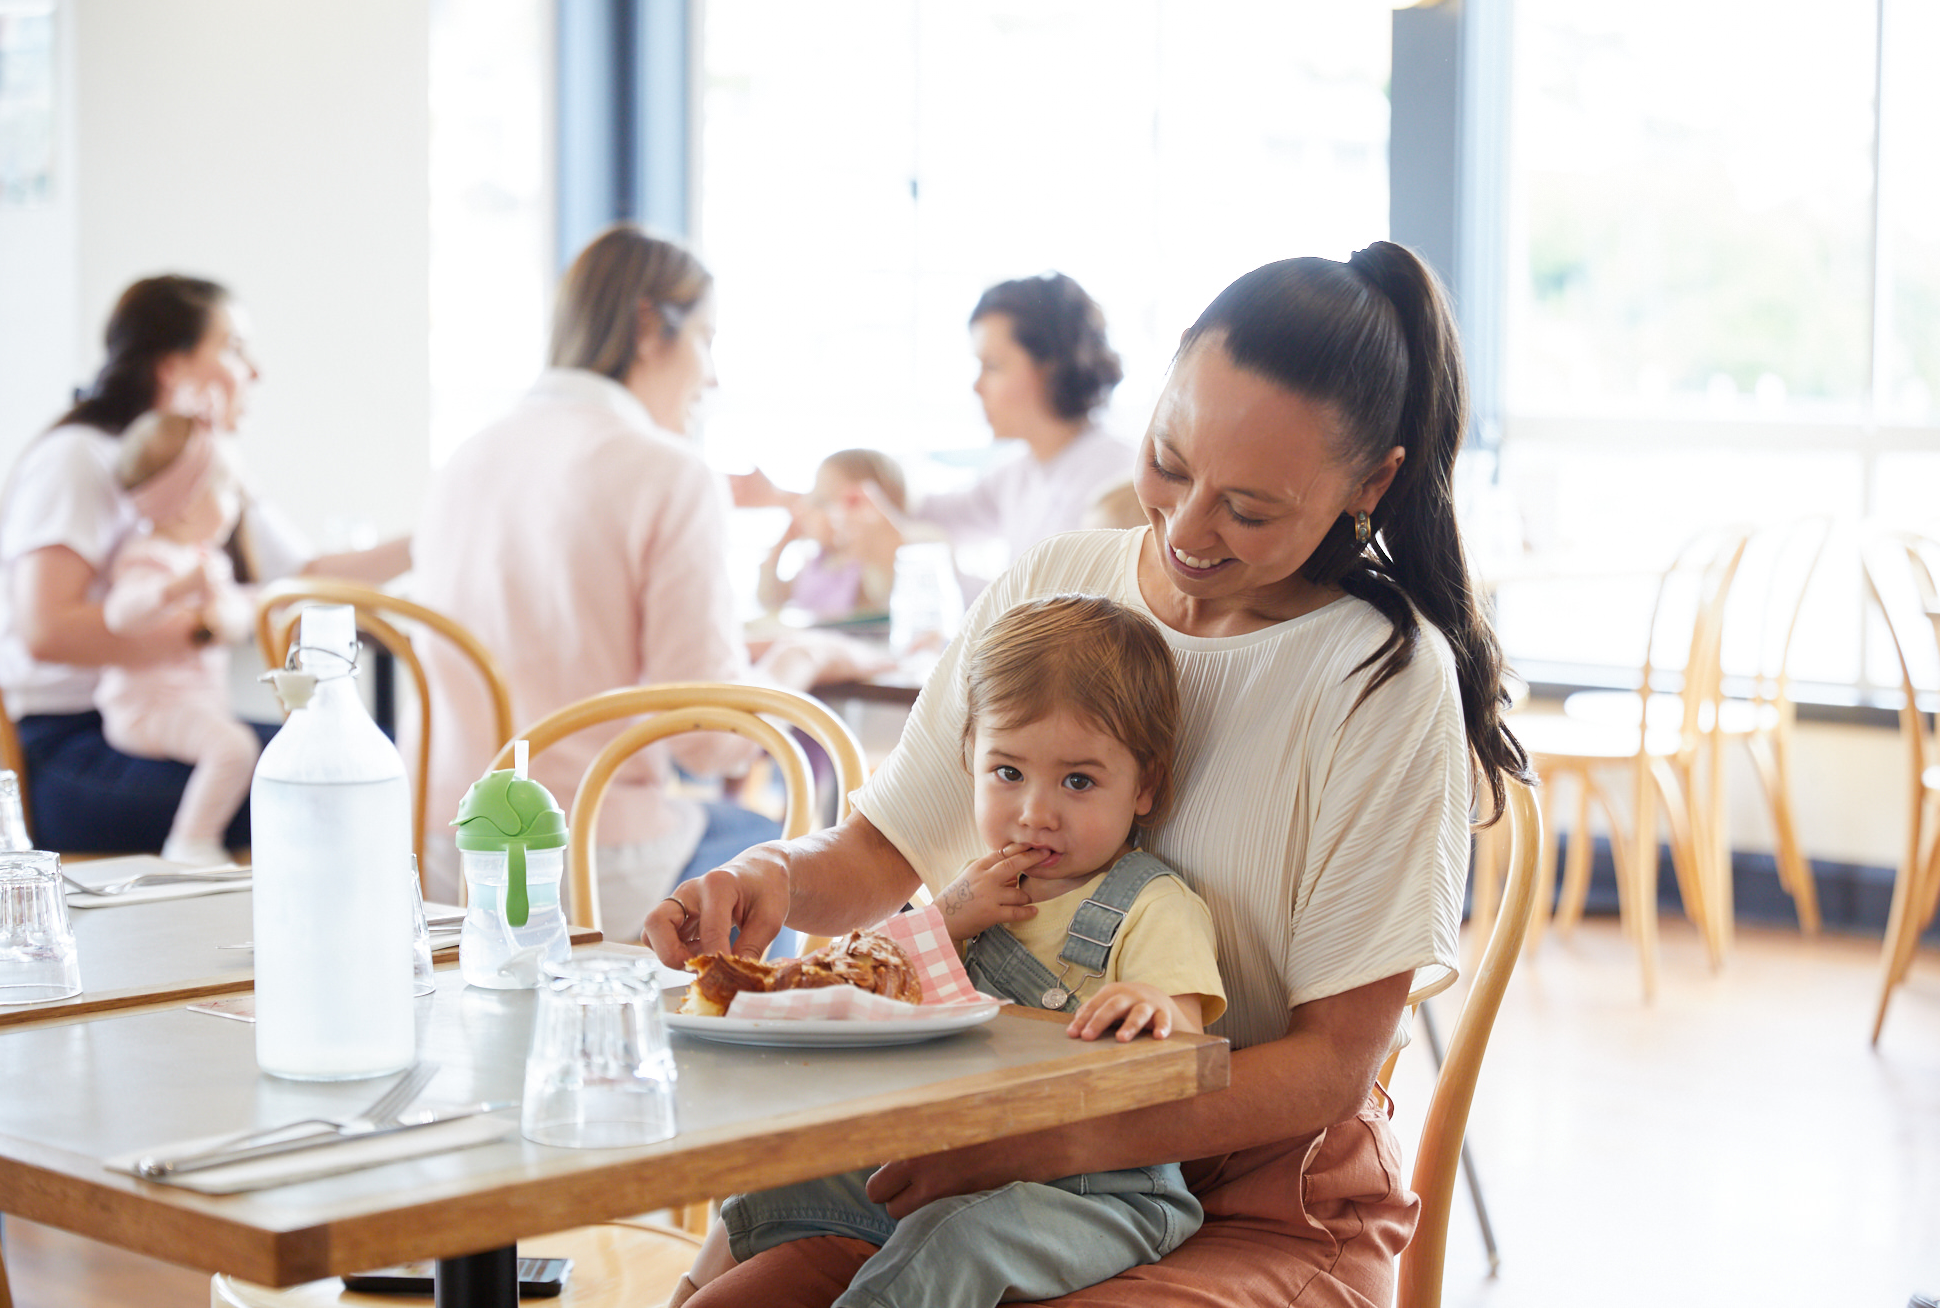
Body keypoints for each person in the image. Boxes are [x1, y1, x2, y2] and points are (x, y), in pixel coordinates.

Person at [648, 241, 1528, 1307]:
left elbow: (1331, 1063)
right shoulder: (1059, 582)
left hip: (1260, 1196)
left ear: (1369, 482)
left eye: (1248, 510)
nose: (1188, 526)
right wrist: (775, 879)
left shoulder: (1378, 679)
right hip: (984, 1146)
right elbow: (883, 849)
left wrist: (1035, 1142)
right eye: (1167, 460)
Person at [672, 595, 1227, 1308]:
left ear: (1144, 785)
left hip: (1104, 1193)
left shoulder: (1152, 904)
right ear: (969, 759)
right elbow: (885, 982)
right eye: (1007, 772)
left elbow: (1182, 1044)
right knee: (783, 1169)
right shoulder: (974, 890)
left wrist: (1150, 1005)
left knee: (949, 1240)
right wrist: (948, 917)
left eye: (1078, 781)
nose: (1035, 811)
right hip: (959, 1162)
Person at [414, 225, 780, 937]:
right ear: (650, 327)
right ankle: (740, 1048)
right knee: (782, 856)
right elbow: (707, 743)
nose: (712, 376)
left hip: (444, 850)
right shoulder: (669, 471)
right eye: (706, 338)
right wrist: (798, 665)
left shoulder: (466, 457)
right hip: (582, 852)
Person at [0, 275, 409, 854]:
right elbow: (45, 631)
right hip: (67, 746)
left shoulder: (204, 468)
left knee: (363, 757)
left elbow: (305, 570)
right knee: (333, 785)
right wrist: (207, 627)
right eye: (234, 348)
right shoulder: (80, 458)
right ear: (172, 369)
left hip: (147, 731)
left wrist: (432, 540)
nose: (254, 372)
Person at [733, 273, 1133, 590]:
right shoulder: (1021, 471)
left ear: (1053, 367)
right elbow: (911, 505)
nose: (977, 387)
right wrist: (783, 496)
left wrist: (908, 561)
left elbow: (1043, 616)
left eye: (992, 366)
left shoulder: (1114, 479)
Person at [96, 411, 259, 866]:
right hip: (146, 710)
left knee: (239, 740)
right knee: (235, 747)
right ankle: (190, 843)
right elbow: (119, 615)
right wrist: (173, 591)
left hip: (191, 704)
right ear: (186, 503)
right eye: (223, 488)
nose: (235, 499)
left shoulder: (204, 560)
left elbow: (233, 619)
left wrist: (223, 613)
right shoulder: (148, 558)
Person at [755, 449, 906, 621]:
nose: (805, 508)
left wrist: (877, 535)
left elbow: (887, 583)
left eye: (820, 502)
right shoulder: (816, 562)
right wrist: (780, 547)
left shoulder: (867, 568)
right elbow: (769, 600)